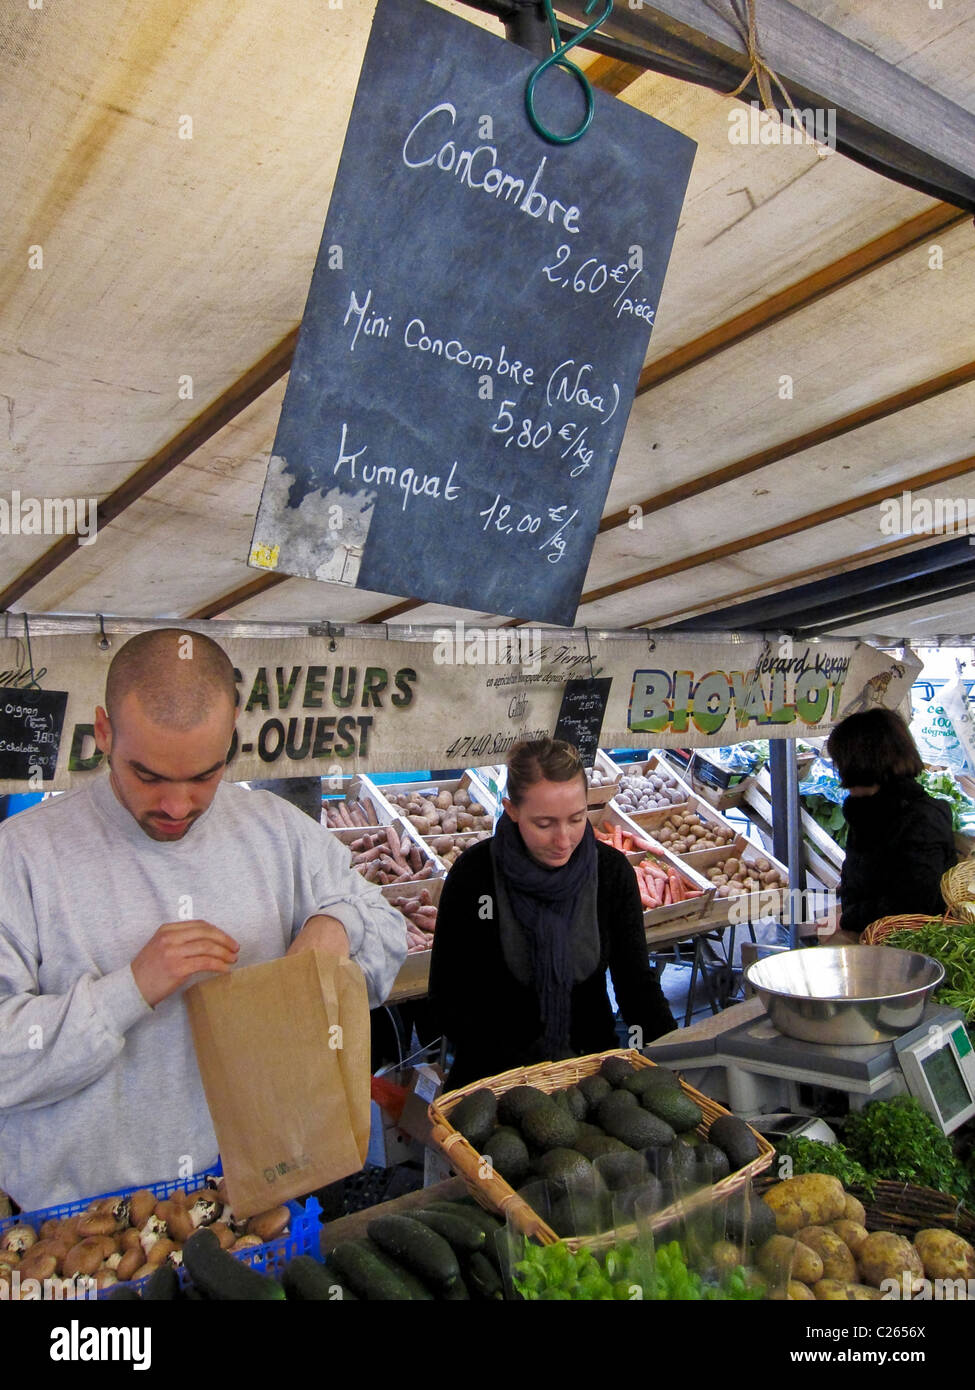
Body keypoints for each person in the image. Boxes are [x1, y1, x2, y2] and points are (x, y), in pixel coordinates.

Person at [0, 629, 406, 1211]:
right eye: (149, 776)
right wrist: (130, 990)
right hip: (83, 1229)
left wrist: (338, 926)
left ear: (232, 733)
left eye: (204, 775)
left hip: (252, 1199)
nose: (177, 805)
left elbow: (386, 929)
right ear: (104, 732)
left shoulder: (275, 830)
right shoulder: (23, 856)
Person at [428, 738, 678, 1089]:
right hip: (492, 1081)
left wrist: (675, 1058)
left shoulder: (610, 874)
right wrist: (522, 1074)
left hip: (590, 1075)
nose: (564, 839)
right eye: (544, 824)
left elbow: (637, 988)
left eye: (576, 819)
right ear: (511, 810)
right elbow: (447, 1000)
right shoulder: (475, 876)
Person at [824, 708, 957, 939]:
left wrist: (849, 918)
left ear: (859, 761)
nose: (839, 770)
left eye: (840, 761)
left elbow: (914, 904)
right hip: (868, 933)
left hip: (911, 947)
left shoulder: (922, 820)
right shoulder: (866, 809)